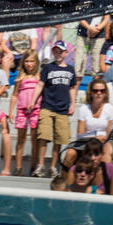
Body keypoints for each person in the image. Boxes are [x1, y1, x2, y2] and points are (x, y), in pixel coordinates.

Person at [35, 41, 78, 177]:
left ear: (66, 53)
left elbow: (72, 88)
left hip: (63, 108)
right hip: (47, 105)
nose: (58, 54)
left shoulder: (70, 69)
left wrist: (72, 104)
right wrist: (33, 101)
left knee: (59, 139)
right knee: (43, 136)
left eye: (61, 51)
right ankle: (40, 165)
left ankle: (53, 166)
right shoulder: (48, 68)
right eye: (56, 51)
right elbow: (40, 85)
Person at [10, 50, 43, 175]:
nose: (29, 64)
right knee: (21, 139)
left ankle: (33, 167)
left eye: (32, 61)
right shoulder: (20, 77)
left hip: (35, 110)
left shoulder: (39, 77)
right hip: (22, 110)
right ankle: (18, 167)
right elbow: (14, 95)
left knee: (35, 139)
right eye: (27, 61)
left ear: (36, 62)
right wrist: (11, 111)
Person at [75, 79, 113, 143]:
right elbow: (80, 134)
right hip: (87, 142)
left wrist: (101, 139)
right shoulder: (83, 109)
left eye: (102, 91)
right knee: (70, 152)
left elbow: (110, 134)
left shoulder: (110, 109)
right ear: (91, 92)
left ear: (105, 93)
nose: (99, 93)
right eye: (95, 91)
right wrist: (95, 138)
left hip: (104, 142)